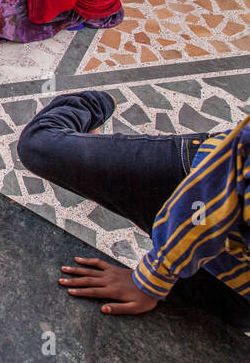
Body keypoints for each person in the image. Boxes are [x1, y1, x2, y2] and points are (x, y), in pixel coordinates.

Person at [17, 92, 249, 331]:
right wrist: (154, 278)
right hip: (203, 177)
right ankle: (97, 104)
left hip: (238, 275)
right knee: (38, 146)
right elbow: (214, 190)